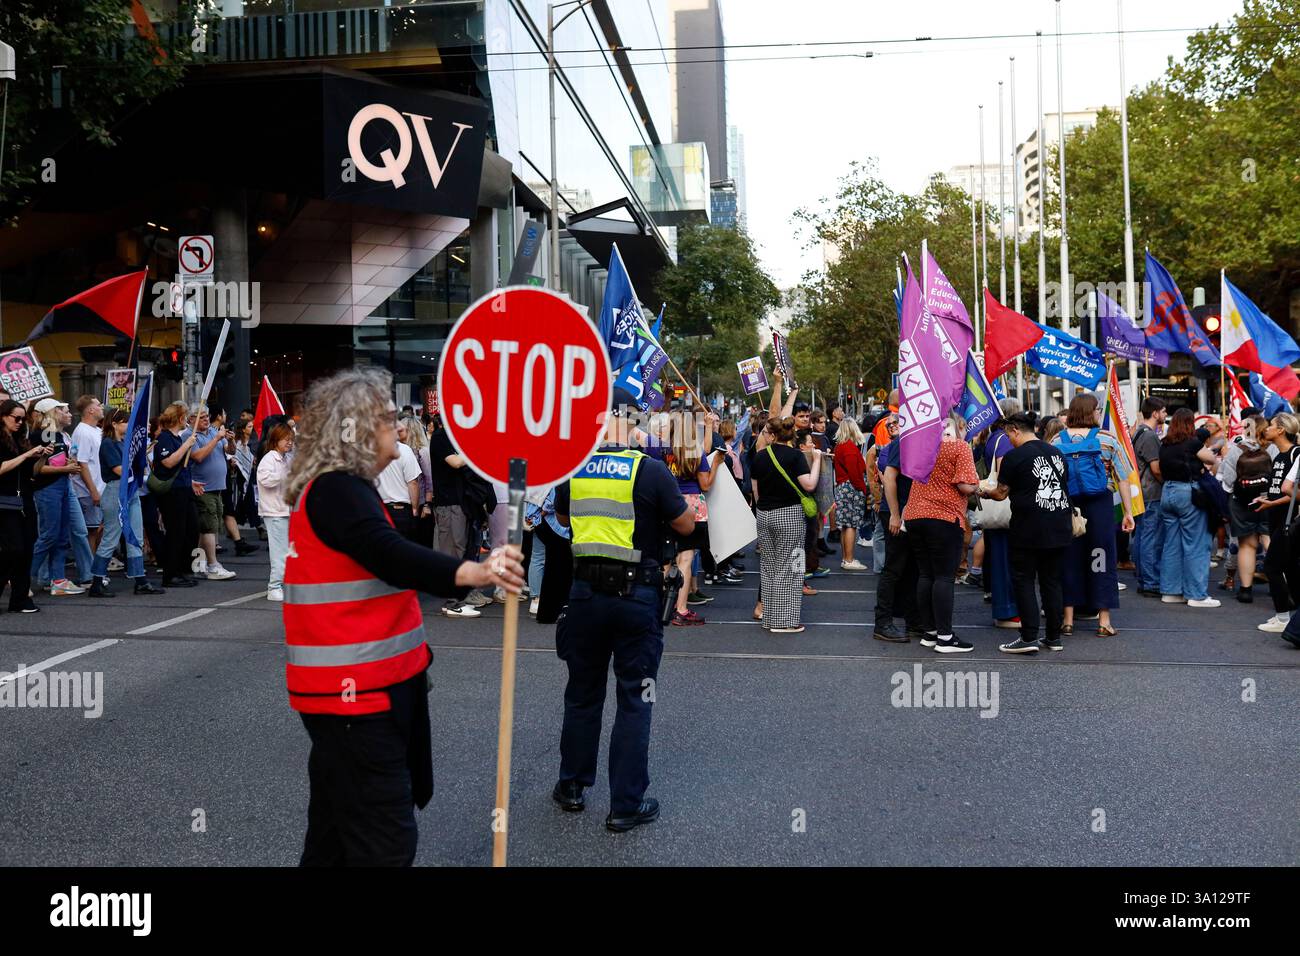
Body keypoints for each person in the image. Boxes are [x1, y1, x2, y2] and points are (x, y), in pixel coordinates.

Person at [282, 366, 523, 865]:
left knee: (334, 834)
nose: (399, 425)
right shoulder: (336, 490)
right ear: (358, 428)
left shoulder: (340, 490)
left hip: (355, 694)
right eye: (388, 418)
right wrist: (474, 573)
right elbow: (388, 553)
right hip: (357, 698)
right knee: (383, 840)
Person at [551, 389, 694, 830]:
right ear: (629, 420)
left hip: (584, 598)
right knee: (635, 698)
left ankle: (572, 786)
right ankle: (625, 805)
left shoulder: (573, 470)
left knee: (582, 693)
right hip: (637, 598)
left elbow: (561, 515)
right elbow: (685, 523)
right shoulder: (648, 470)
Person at [981, 412, 1073, 653]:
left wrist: (984, 492)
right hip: (1059, 523)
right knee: (1051, 582)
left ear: (1014, 430)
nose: (1008, 439)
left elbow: (1001, 493)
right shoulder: (1057, 453)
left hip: (1029, 527)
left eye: (1008, 435)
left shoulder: (1014, 457)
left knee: (1023, 580)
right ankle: (1053, 637)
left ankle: (1029, 636)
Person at [1051, 394, 1135, 636]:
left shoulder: (1057, 440)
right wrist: (1128, 512)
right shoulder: (1106, 439)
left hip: (1069, 506)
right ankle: (1103, 621)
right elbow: (1124, 477)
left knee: (1070, 559)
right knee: (1101, 558)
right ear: (1093, 412)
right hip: (1100, 506)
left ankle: (1067, 620)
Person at [903, 414, 980, 653]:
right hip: (944, 516)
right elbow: (965, 486)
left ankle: (930, 632)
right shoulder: (960, 447)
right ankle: (946, 637)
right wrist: (979, 485)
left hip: (915, 514)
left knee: (926, 575)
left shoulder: (922, 445)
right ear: (959, 426)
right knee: (944, 577)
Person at [750, 415, 820, 633]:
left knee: (769, 566)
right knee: (791, 568)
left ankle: (769, 617)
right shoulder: (795, 456)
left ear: (773, 435)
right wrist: (816, 461)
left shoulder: (760, 456)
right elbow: (808, 484)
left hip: (764, 514)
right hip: (789, 514)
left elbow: (755, 489)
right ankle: (785, 621)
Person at [89, 408, 164, 597]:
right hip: (116, 491)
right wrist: (138, 466)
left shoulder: (123, 442)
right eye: (125, 422)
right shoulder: (108, 444)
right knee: (111, 538)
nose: (128, 425)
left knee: (136, 537)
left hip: (130, 491)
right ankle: (96, 583)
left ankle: (140, 580)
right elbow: (119, 470)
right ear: (114, 424)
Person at [1158, 408, 1221, 608]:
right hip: (1188, 493)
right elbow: (1211, 459)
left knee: (1172, 545)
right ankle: (1196, 595)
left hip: (1167, 492)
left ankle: (1171, 591)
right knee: (1196, 544)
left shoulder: (1164, 443)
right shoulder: (1192, 443)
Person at [30, 398, 94, 595]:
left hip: (63, 485)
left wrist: (67, 466)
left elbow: (56, 463)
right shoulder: (43, 434)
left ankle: (58, 580)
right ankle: (22, 578)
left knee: (62, 536)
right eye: (64, 410)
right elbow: (36, 468)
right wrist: (67, 467)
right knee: (49, 535)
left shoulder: (58, 434)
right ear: (53, 412)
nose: (69, 413)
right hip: (48, 489)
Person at [872, 411, 923, 643]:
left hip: (909, 512)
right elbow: (889, 478)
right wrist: (894, 514)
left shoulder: (916, 438)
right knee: (894, 568)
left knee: (911, 568)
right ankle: (883, 623)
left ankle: (913, 621)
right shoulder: (903, 443)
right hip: (896, 512)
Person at [665, 409, 716, 626]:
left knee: (665, 559)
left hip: (667, 503)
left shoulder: (662, 451)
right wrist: (716, 464)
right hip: (692, 506)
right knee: (685, 559)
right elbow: (705, 484)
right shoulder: (697, 453)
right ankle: (681, 609)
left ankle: (661, 604)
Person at [0, 400, 48, 613]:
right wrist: (27, 455)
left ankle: (20, 599)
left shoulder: (21, 440)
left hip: (25, 500)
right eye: (16, 418)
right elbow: (2, 468)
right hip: (4, 501)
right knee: (12, 550)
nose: (20, 422)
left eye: (23, 418)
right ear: (3, 416)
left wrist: (41, 458)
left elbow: (32, 472)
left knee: (27, 549)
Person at [1218, 414, 1272, 603]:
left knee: (1246, 545)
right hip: (1268, 501)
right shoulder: (1271, 447)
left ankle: (1246, 590)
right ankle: (1279, 583)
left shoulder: (1235, 449)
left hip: (1242, 502)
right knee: (1269, 540)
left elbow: (1228, 481)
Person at [1254, 413, 1300, 632]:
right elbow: (1276, 489)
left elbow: (1295, 493)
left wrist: (1272, 504)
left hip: (1290, 520)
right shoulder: (1279, 456)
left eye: (1271, 426)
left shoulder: (1295, 453)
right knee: (1290, 568)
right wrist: (1266, 499)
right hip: (1276, 518)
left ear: (1281, 430)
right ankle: (1293, 619)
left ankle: (1282, 618)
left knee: (1272, 566)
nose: (1266, 429)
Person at [183, 407, 239, 581]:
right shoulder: (189, 435)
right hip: (202, 487)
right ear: (191, 420)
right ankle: (213, 564)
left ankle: (199, 562)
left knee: (207, 525)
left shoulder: (213, 432)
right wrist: (216, 439)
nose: (206, 419)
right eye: (201, 417)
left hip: (217, 487)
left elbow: (230, 452)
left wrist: (230, 441)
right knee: (208, 525)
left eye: (207, 416)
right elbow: (198, 457)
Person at [981, 399, 1023, 630]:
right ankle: (1007, 611)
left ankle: (1004, 609)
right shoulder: (1005, 440)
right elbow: (1006, 472)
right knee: (1006, 561)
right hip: (1004, 505)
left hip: (996, 508)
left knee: (998, 558)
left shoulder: (993, 437)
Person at [152, 400, 202, 589]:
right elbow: (168, 462)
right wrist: (186, 445)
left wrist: (190, 481)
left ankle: (181, 569)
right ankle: (170, 574)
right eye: (185, 417)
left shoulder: (176, 438)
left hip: (184, 488)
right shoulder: (165, 438)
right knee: (176, 532)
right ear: (180, 418)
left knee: (191, 529)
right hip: (172, 493)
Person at [1131, 397, 1167, 597]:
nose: (1165, 414)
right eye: (1163, 411)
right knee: (1151, 539)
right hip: (1151, 493)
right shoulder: (1150, 436)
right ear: (1155, 413)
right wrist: (1166, 483)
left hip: (1141, 493)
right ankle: (1150, 582)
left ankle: (1144, 578)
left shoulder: (1138, 433)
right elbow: (1156, 469)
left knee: (1142, 537)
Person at [257, 423, 294, 602]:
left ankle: (282, 584)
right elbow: (265, 480)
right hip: (275, 512)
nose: (289, 443)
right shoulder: (270, 458)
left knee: (286, 551)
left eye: (291, 440)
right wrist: (286, 475)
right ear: (276, 440)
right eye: (286, 439)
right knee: (279, 552)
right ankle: (274, 587)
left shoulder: (285, 458)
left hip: (284, 510)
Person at [373, 417, 421, 542]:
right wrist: (415, 509)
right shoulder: (404, 450)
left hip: (378, 510)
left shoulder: (370, 451)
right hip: (400, 510)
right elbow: (413, 482)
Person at [69, 395, 106, 555]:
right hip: (88, 492)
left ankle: (97, 568)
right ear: (91, 410)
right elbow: (82, 463)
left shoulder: (97, 430)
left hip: (101, 489)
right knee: (92, 531)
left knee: (100, 530)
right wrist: (93, 491)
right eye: (99, 405)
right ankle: (90, 571)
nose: (102, 407)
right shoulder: (82, 432)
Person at [832, 418, 868, 570]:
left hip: (842, 487)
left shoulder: (840, 446)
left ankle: (846, 558)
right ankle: (849, 559)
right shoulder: (850, 449)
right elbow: (855, 474)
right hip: (851, 488)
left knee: (845, 525)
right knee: (852, 525)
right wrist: (863, 489)